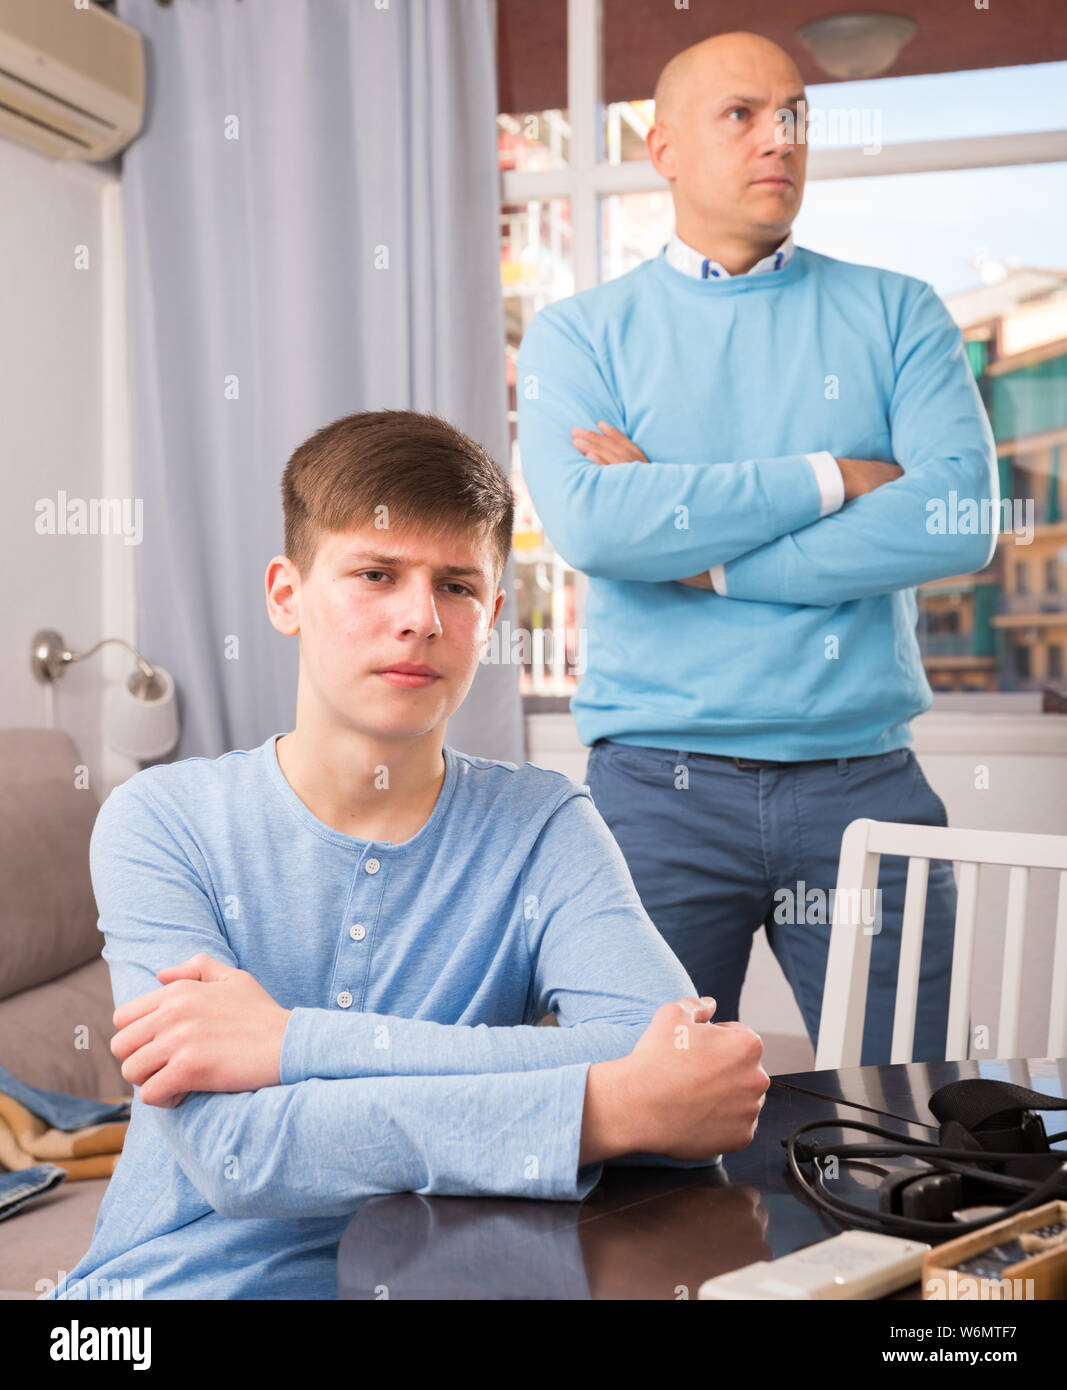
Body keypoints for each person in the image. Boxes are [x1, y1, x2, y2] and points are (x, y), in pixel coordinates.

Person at [42, 409, 769, 1301]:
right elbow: (242, 1154)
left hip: (449, 1277)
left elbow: (674, 1065)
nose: (420, 618)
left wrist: (290, 1043)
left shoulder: (543, 824)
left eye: (457, 587)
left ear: (494, 615)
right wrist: (600, 1106)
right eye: (376, 575)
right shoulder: (161, 820)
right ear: (286, 596)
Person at [515, 32, 998, 1065]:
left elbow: (956, 519)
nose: (777, 138)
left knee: (898, 1125)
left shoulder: (899, 313)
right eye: (741, 114)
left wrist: (705, 556)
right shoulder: (577, 333)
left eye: (794, 116)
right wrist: (829, 475)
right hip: (655, 795)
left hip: (861, 781)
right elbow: (598, 526)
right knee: (644, 1135)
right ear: (663, 149)